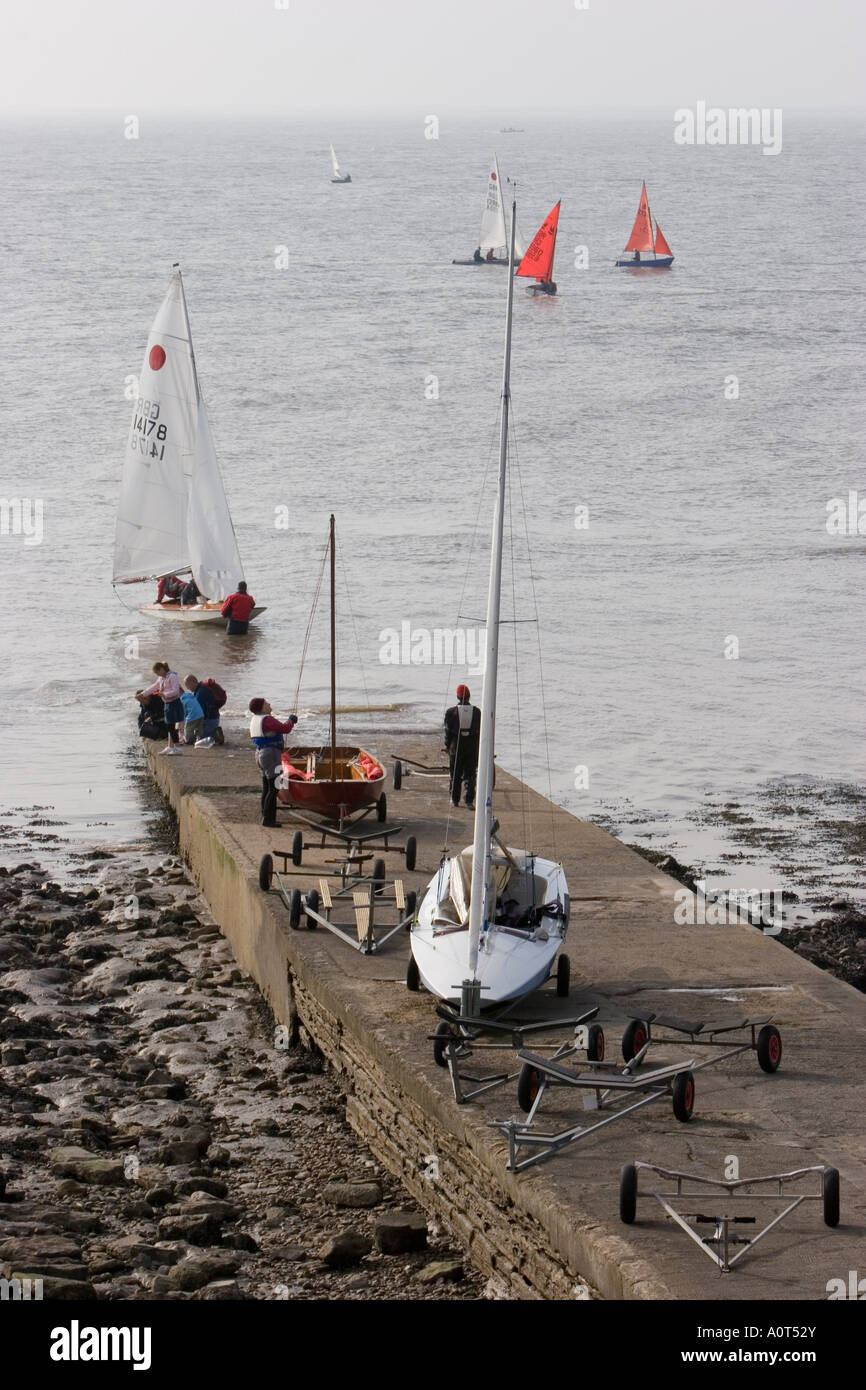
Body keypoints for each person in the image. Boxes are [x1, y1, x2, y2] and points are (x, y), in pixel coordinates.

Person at [249, 698, 298, 827]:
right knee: (274, 787)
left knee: (267, 786)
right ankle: (268, 819)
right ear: (261, 707)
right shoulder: (267, 720)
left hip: (260, 754)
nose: (269, 704)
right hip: (271, 755)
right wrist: (291, 720)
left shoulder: (256, 719)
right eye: (266, 703)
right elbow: (285, 728)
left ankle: (265, 815)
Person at [444, 684, 481, 808]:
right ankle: (469, 800)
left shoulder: (451, 712)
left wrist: (447, 745)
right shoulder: (477, 712)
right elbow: (479, 732)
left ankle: (454, 800)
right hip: (471, 747)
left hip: (456, 746)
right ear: (469, 696)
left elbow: (448, 732)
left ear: (457, 697)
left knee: (455, 773)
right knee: (470, 774)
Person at [137, 662, 184, 753]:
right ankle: (170, 747)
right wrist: (142, 694)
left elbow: (176, 691)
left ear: (162, 669)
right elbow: (153, 687)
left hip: (174, 703)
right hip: (167, 703)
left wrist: (164, 694)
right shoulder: (161, 678)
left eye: (157, 672)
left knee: (171, 726)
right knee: (169, 725)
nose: (157, 675)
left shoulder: (172, 676)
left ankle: (177, 748)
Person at [185, 674, 222, 746]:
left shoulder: (200, 692)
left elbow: (198, 712)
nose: (187, 688)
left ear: (192, 683)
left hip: (209, 720)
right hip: (213, 718)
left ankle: (214, 735)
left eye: (187, 685)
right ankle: (213, 733)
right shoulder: (200, 689)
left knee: (196, 741)